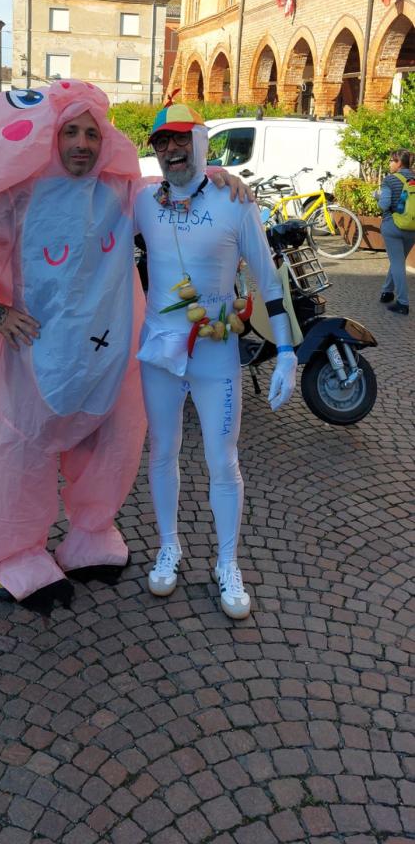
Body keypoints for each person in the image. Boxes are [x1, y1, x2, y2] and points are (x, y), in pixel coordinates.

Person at [0, 81, 247, 611]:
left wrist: (213, 177)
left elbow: (168, 193)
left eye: (91, 134)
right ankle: (18, 553)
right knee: (15, 451)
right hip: (29, 363)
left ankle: (91, 532)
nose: (81, 143)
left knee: (109, 443)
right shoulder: (18, 196)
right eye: (70, 131)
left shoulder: (119, 193)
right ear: (52, 137)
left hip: (104, 360)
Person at [135, 101, 297, 620]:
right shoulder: (143, 201)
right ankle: (169, 546)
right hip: (159, 350)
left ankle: (228, 562)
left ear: (201, 141)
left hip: (215, 351)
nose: (172, 149)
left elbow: (268, 280)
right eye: (162, 141)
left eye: (182, 138)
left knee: (222, 460)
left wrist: (287, 352)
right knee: (162, 451)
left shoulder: (235, 202)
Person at [376, 148, 415, 315]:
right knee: (398, 260)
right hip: (412, 227)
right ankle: (387, 292)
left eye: (392, 160)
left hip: (393, 226)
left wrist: (377, 196)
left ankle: (402, 302)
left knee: (398, 263)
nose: (390, 163)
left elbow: (384, 205)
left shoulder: (390, 180)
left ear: (399, 163)